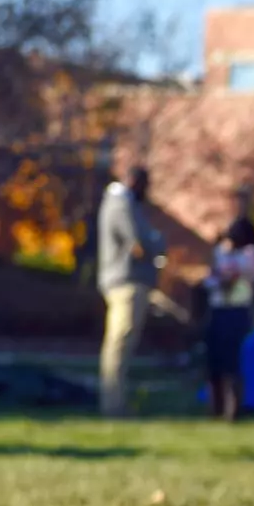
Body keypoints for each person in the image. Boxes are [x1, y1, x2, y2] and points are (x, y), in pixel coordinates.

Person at [96, 167, 164, 417]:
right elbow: (139, 244)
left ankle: (116, 402)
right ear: (135, 182)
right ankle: (113, 405)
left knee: (121, 344)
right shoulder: (121, 205)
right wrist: (157, 242)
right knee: (119, 343)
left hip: (126, 282)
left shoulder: (120, 203)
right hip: (126, 283)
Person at [203, 205, 254, 421]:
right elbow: (211, 279)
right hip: (218, 309)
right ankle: (214, 406)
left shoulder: (250, 255)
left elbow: (237, 274)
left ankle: (233, 407)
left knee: (232, 362)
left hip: (237, 310)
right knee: (214, 361)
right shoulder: (220, 253)